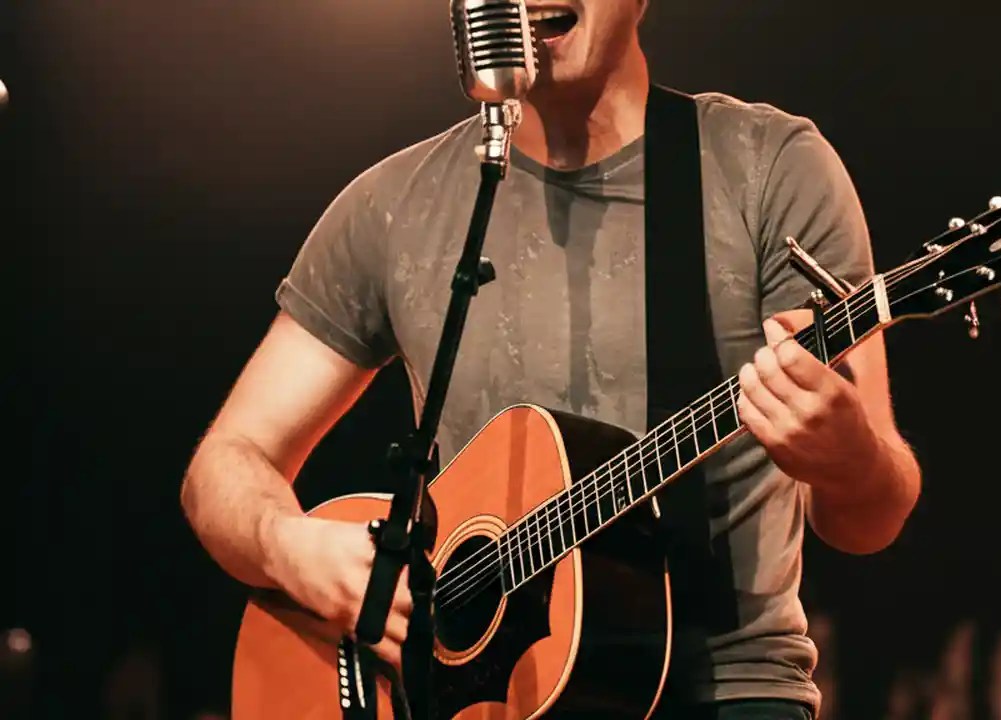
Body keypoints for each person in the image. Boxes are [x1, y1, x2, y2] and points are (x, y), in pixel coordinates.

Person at [179, 1, 922, 718]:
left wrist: (849, 457)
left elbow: (875, 512)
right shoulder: (392, 207)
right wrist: (294, 551)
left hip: (724, 692)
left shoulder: (768, 171)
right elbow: (225, 464)